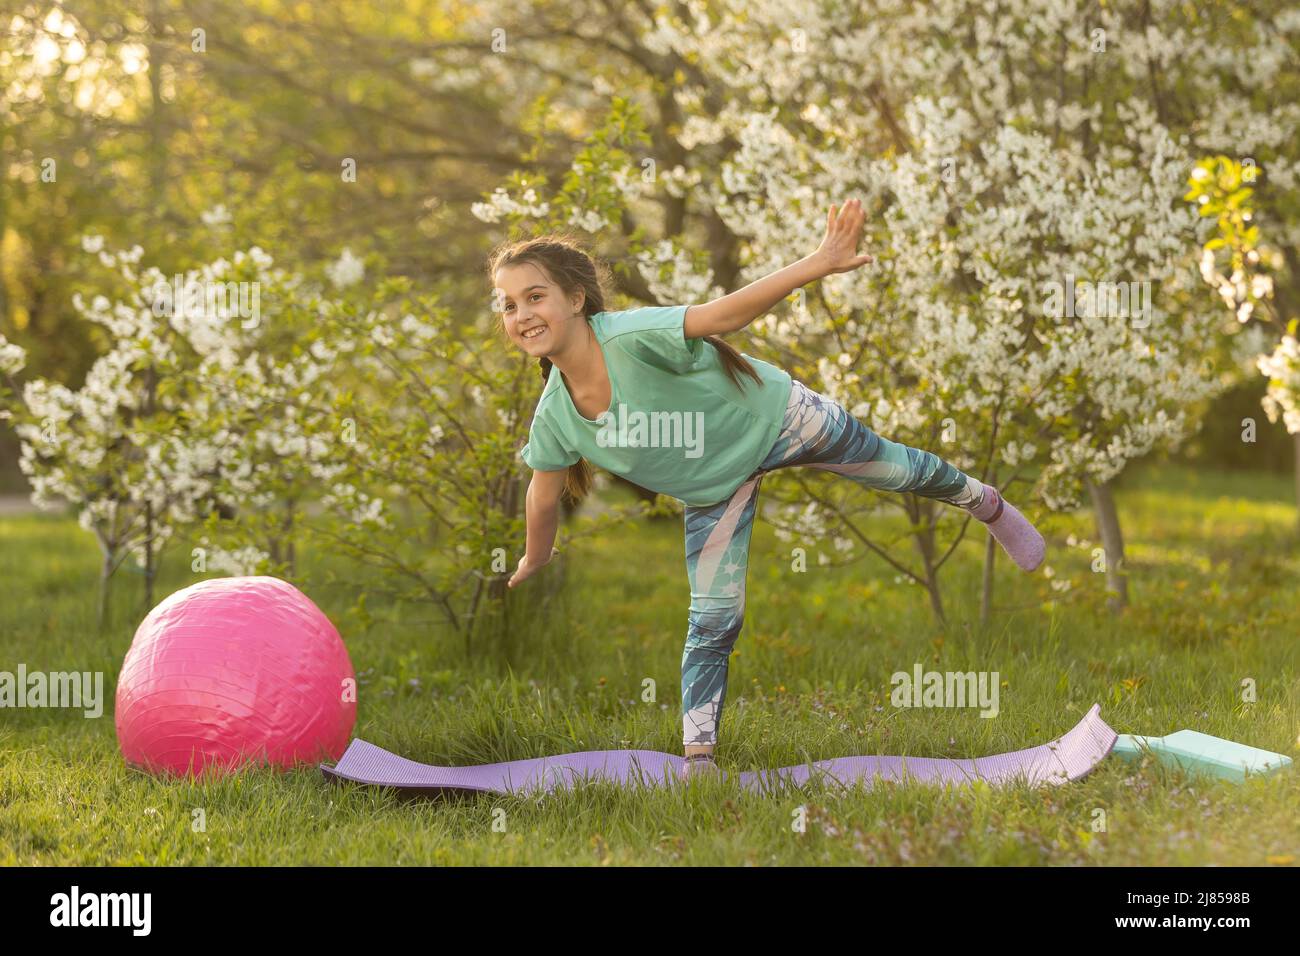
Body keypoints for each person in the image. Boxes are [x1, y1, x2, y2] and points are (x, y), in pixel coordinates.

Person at [497, 200, 1045, 781]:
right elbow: (542, 493)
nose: (521, 313)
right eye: (508, 305)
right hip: (716, 488)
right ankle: (699, 760)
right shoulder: (556, 413)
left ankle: (983, 503)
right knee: (712, 618)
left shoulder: (629, 337)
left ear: (575, 300)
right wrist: (535, 554)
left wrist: (818, 262)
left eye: (535, 296)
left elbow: (721, 317)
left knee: (893, 470)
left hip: (780, 417)